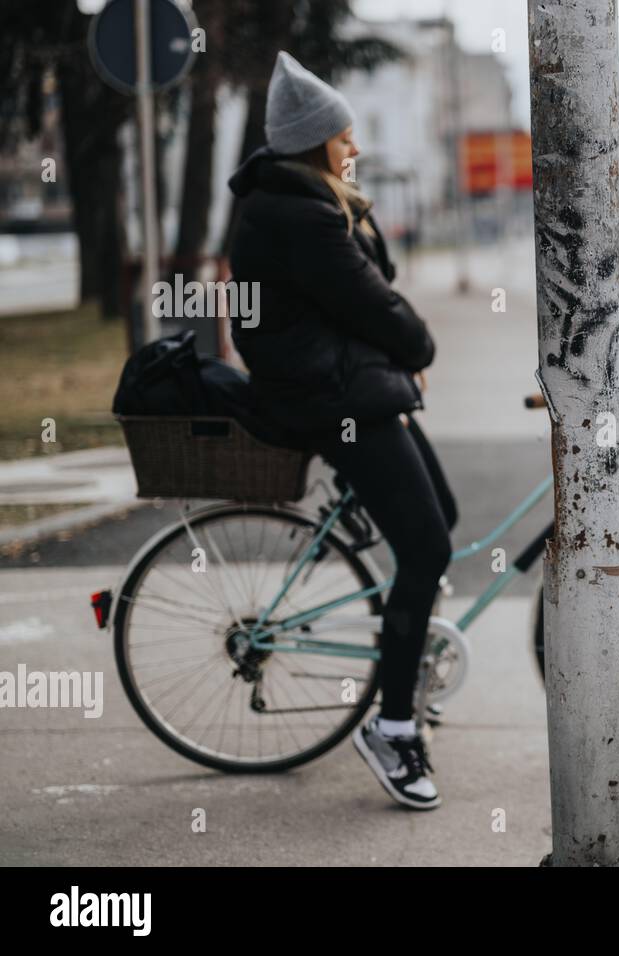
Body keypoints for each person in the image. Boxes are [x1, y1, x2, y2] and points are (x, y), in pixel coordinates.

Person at [227, 51, 454, 810]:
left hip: (340, 388)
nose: (354, 145)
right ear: (317, 141)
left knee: (438, 520)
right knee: (425, 546)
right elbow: (372, 302)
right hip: (333, 403)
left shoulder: (303, 199)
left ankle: (405, 650)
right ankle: (391, 726)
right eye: (345, 135)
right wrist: (418, 350)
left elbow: (359, 300)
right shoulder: (299, 212)